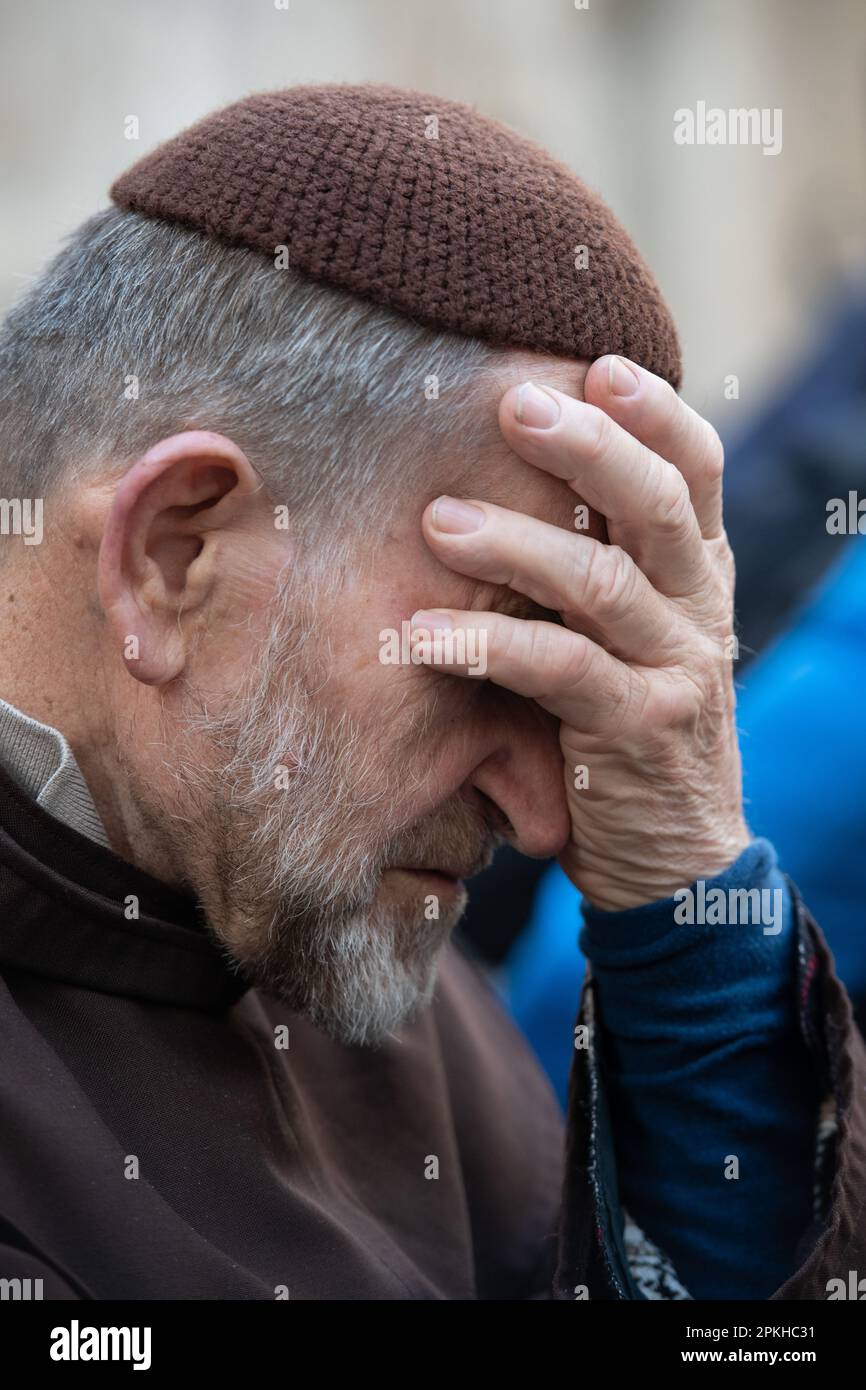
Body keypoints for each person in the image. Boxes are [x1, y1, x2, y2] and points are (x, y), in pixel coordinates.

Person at [0, 84, 863, 1302]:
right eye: (493, 659)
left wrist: (685, 900)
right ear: (174, 552)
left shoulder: (373, 975)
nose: (544, 821)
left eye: (571, 686)